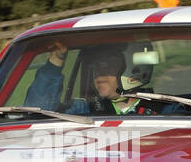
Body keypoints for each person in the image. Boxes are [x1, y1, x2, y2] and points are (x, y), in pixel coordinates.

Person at [25, 42, 166, 116]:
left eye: (107, 66)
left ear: (133, 68)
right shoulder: (84, 110)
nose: (98, 73)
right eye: (95, 66)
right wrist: (55, 61)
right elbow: (37, 112)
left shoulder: (166, 109)